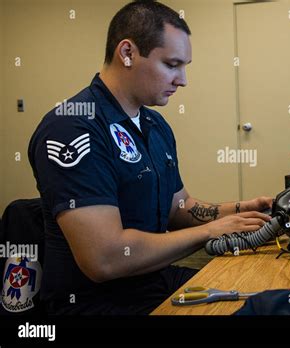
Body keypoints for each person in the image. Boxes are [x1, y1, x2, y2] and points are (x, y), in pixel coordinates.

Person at [28, 0, 272, 315]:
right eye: (172, 65)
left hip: (152, 282)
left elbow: (178, 207)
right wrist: (209, 232)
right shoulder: (72, 127)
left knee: (264, 294)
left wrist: (241, 210)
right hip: (95, 304)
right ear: (127, 53)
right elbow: (105, 258)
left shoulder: (154, 125)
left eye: (185, 66)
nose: (182, 80)